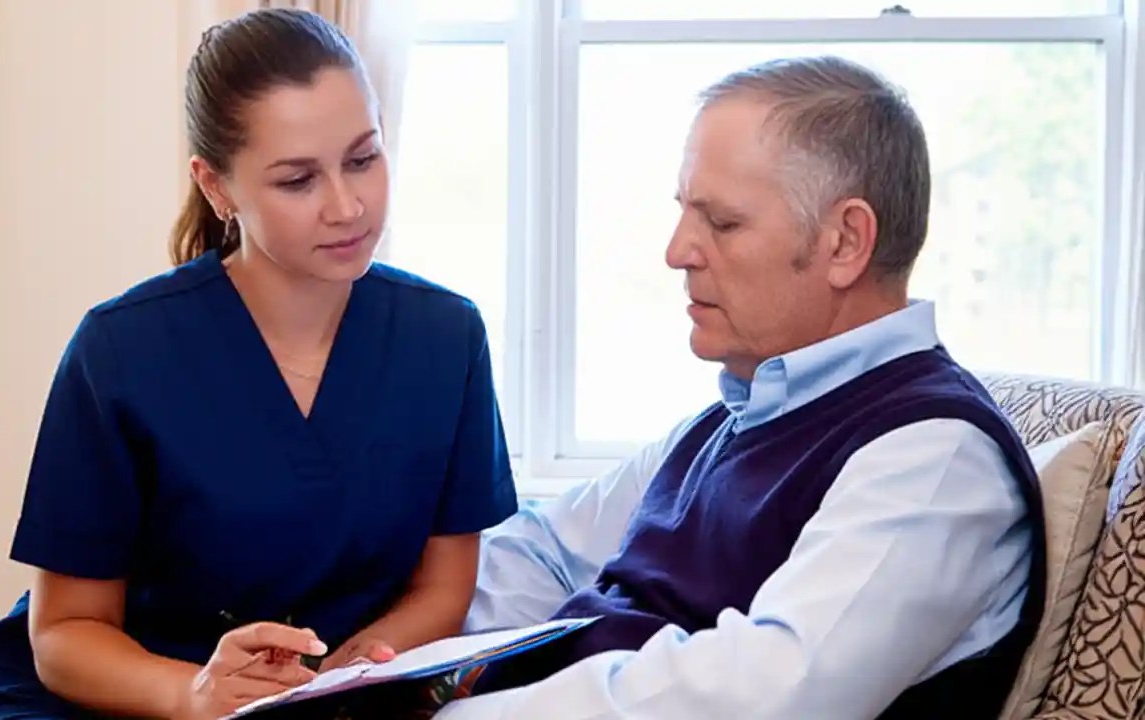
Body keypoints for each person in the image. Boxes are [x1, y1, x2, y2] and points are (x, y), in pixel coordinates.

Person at [0, 8, 516, 720]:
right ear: (216, 187)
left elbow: (445, 588)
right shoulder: (120, 352)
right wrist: (197, 694)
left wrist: (348, 675)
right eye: (298, 180)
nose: (348, 205)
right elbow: (62, 634)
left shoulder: (447, 337)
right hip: (125, 694)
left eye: (363, 159)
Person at [437, 56, 1046, 720]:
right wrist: (368, 652)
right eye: (685, 214)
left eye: (721, 223)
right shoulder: (737, 417)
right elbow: (546, 556)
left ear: (845, 241)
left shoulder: (937, 460)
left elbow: (775, 692)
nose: (678, 251)